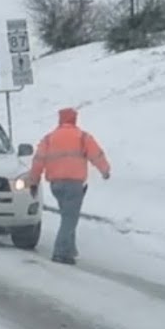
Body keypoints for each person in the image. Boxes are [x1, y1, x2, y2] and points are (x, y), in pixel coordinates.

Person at [28, 107, 111, 265]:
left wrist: (33, 181)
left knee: (67, 216)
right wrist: (105, 170)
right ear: (74, 119)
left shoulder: (49, 138)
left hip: (56, 185)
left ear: (60, 120)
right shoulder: (82, 137)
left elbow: (38, 160)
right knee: (70, 219)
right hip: (74, 185)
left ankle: (70, 250)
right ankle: (60, 252)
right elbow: (96, 155)